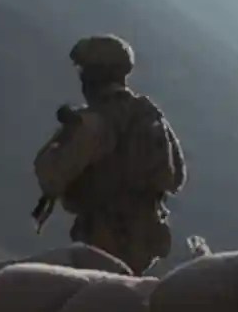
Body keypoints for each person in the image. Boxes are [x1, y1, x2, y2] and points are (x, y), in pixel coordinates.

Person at [32, 35, 186, 275]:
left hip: (103, 239)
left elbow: (52, 178)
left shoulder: (95, 122)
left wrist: (61, 139)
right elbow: (176, 178)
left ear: (92, 75)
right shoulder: (150, 116)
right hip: (145, 237)